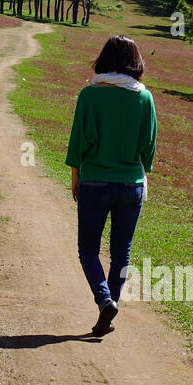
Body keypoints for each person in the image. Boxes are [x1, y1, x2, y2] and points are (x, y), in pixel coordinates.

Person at [64, 34, 157, 338]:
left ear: (103, 59)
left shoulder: (89, 95)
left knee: (88, 250)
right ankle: (110, 304)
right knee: (121, 253)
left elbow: (78, 142)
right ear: (135, 62)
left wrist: (76, 178)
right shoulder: (144, 97)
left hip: (94, 183)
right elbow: (148, 148)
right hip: (131, 186)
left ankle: (105, 301)